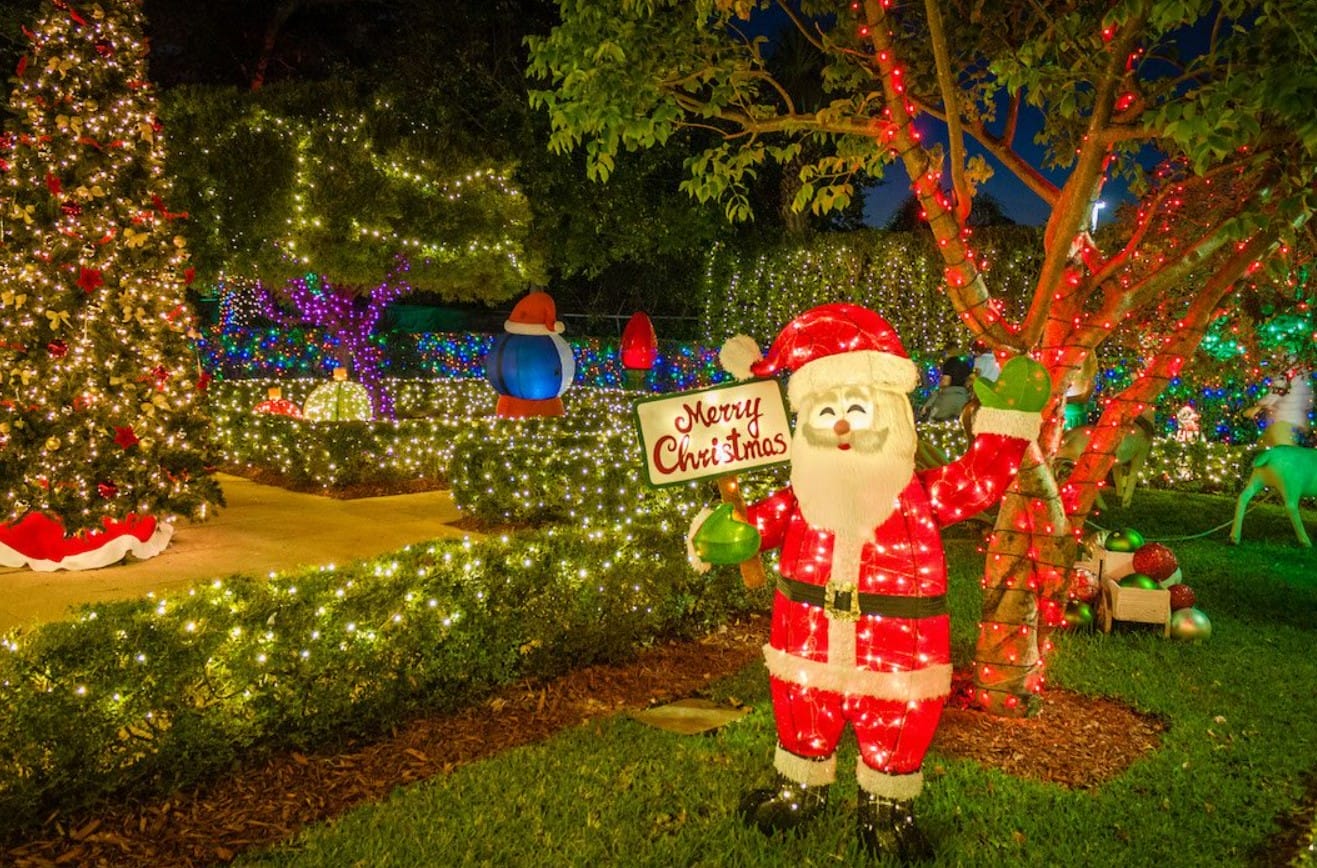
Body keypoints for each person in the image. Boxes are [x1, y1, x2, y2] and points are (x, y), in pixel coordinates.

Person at [694, 304, 1047, 860]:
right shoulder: (803, 495)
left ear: (890, 414)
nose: (839, 425)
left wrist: (1005, 429)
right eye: (827, 411)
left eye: (855, 410)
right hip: (804, 640)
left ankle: (885, 805)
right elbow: (757, 524)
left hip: (897, 650)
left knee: (896, 723)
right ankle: (799, 786)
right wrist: (729, 533)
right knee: (803, 708)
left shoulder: (919, 497)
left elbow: (975, 483)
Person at [1246, 366, 1313, 447]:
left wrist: (1257, 407)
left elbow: (1278, 391)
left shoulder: (1287, 365)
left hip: (1283, 419)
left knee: (1282, 451)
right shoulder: (1302, 369)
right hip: (1297, 419)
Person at [917, 352, 973, 423]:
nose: (941, 377)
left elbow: (934, 420)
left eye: (944, 374)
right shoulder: (948, 393)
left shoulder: (951, 398)